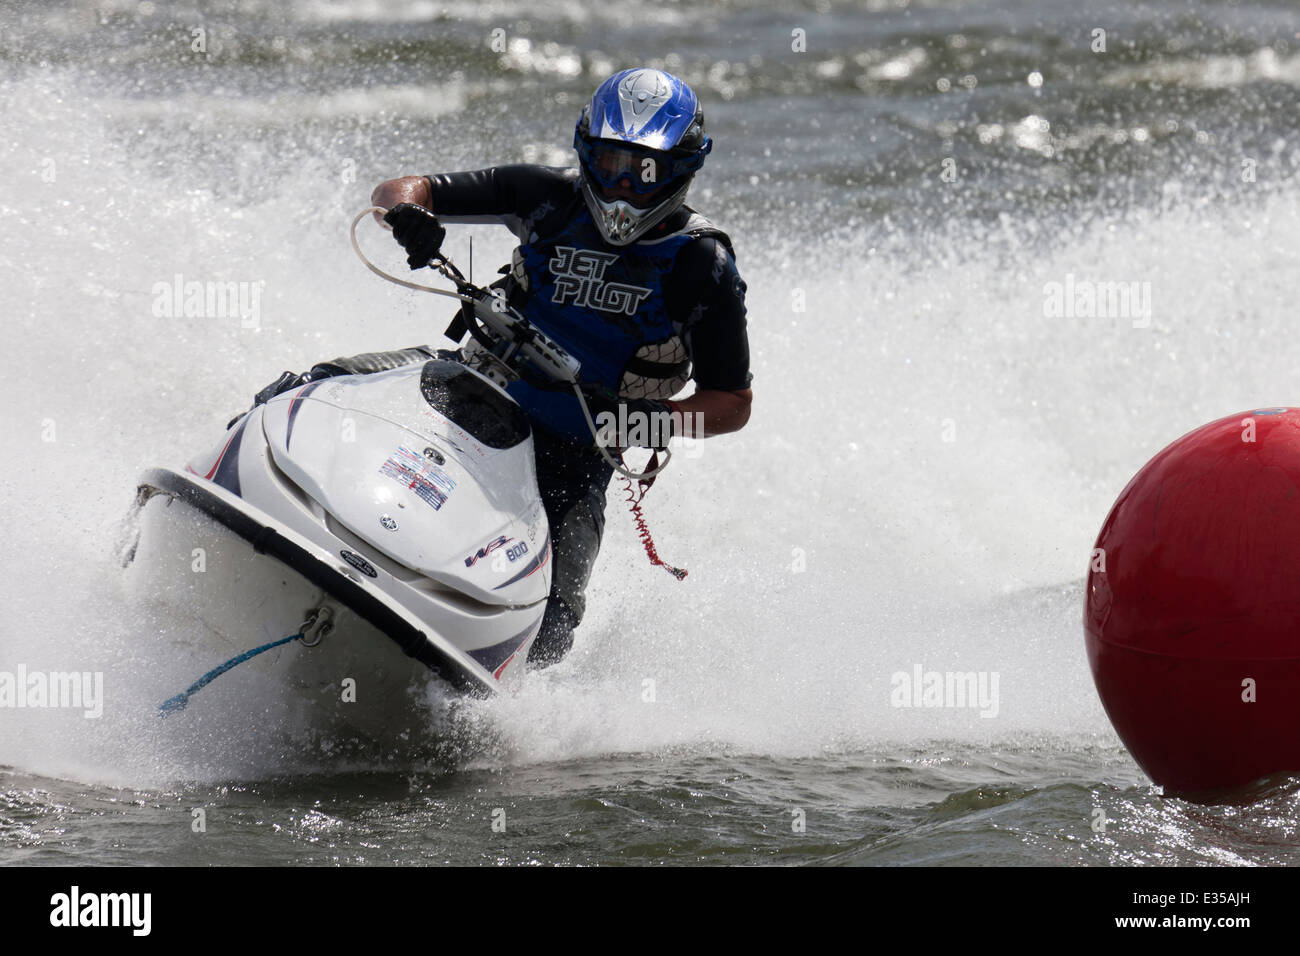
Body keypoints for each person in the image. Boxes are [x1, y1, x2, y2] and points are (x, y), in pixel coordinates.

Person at [249, 68, 752, 666]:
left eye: (643, 171)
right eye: (611, 162)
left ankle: (506, 720)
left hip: (572, 452)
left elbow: (730, 406)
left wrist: (635, 425)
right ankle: (194, 506)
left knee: (556, 616)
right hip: (466, 382)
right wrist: (409, 216)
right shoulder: (543, 195)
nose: (622, 187)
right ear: (586, 150)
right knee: (307, 386)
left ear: (681, 168)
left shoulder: (703, 264)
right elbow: (399, 189)